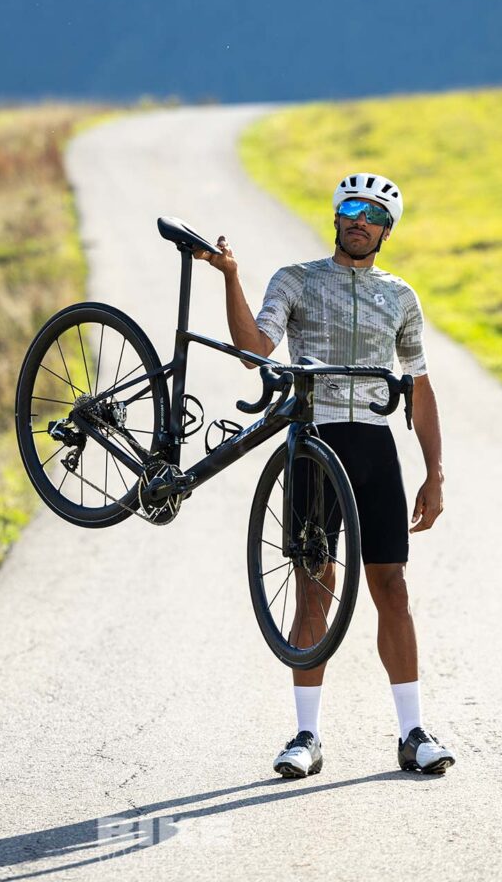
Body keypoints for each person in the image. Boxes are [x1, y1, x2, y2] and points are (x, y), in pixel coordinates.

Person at [193, 172, 455, 777]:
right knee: (315, 583)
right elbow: (256, 347)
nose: (362, 220)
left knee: (392, 586)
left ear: (388, 230)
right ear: (337, 215)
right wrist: (232, 277)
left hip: (373, 445)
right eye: (352, 208)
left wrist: (434, 473)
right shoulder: (298, 280)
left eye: (376, 214)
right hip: (311, 441)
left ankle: (412, 732)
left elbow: (418, 386)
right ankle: (305, 737)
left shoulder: (401, 296)